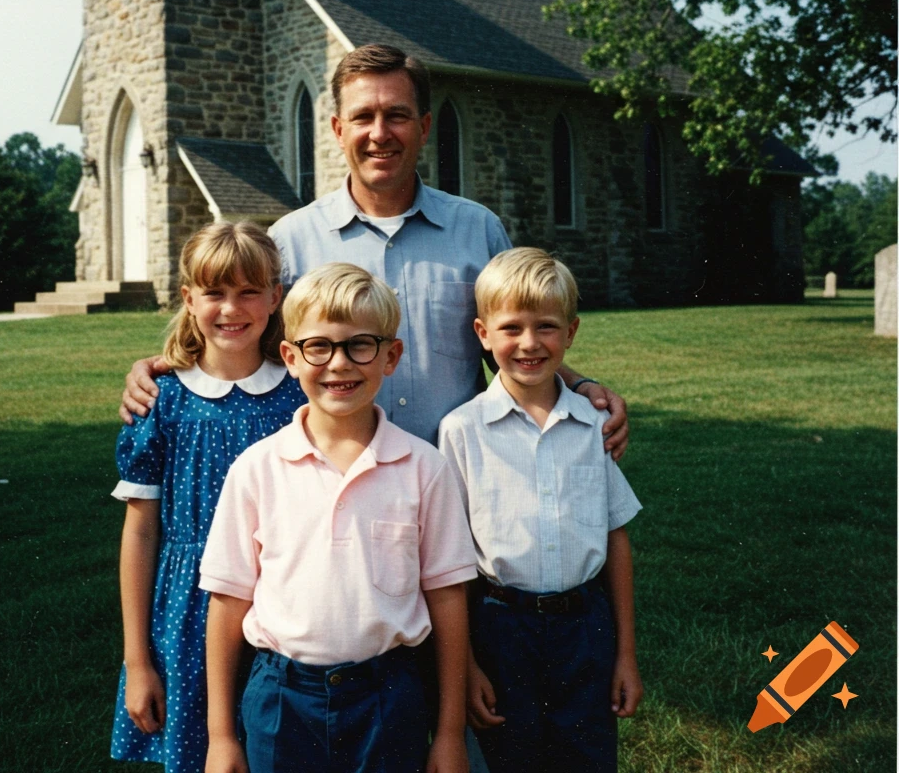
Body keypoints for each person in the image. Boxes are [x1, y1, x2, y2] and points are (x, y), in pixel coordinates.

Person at [120, 44, 629, 457]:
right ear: (339, 129)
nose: (379, 134)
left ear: (424, 127)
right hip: (334, 488)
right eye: (363, 117)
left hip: (460, 477)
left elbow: (513, 344)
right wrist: (160, 370)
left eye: (397, 116)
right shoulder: (291, 242)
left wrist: (580, 386)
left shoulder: (478, 230)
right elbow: (240, 340)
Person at [199, 263, 477, 773]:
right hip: (282, 700)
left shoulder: (423, 468)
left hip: (388, 697)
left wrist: (451, 733)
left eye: (360, 345)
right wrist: (220, 736)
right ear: (290, 356)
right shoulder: (257, 469)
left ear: (391, 355)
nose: (339, 364)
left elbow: (448, 597)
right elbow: (227, 600)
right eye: (319, 347)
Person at [110, 222, 306, 773]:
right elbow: (141, 530)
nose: (231, 308)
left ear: (275, 297)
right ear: (188, 298)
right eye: (215, 292)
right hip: (188, 612)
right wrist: (138, 659)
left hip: (282, 601)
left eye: (248, 291)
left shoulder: (299, 396)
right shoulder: (162, 401)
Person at [438, 248, 642, 772]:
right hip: (500, 629)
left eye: (546, 326)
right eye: (511, 328)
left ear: (571, 333)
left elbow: (616, 538)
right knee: (513, 760)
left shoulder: (592, 424)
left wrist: (625, 655)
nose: (529, 343)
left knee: (587, 757)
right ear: (483, 334)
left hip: (585, 630)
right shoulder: (462, 431)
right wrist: (467, 667)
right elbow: (452, 560)